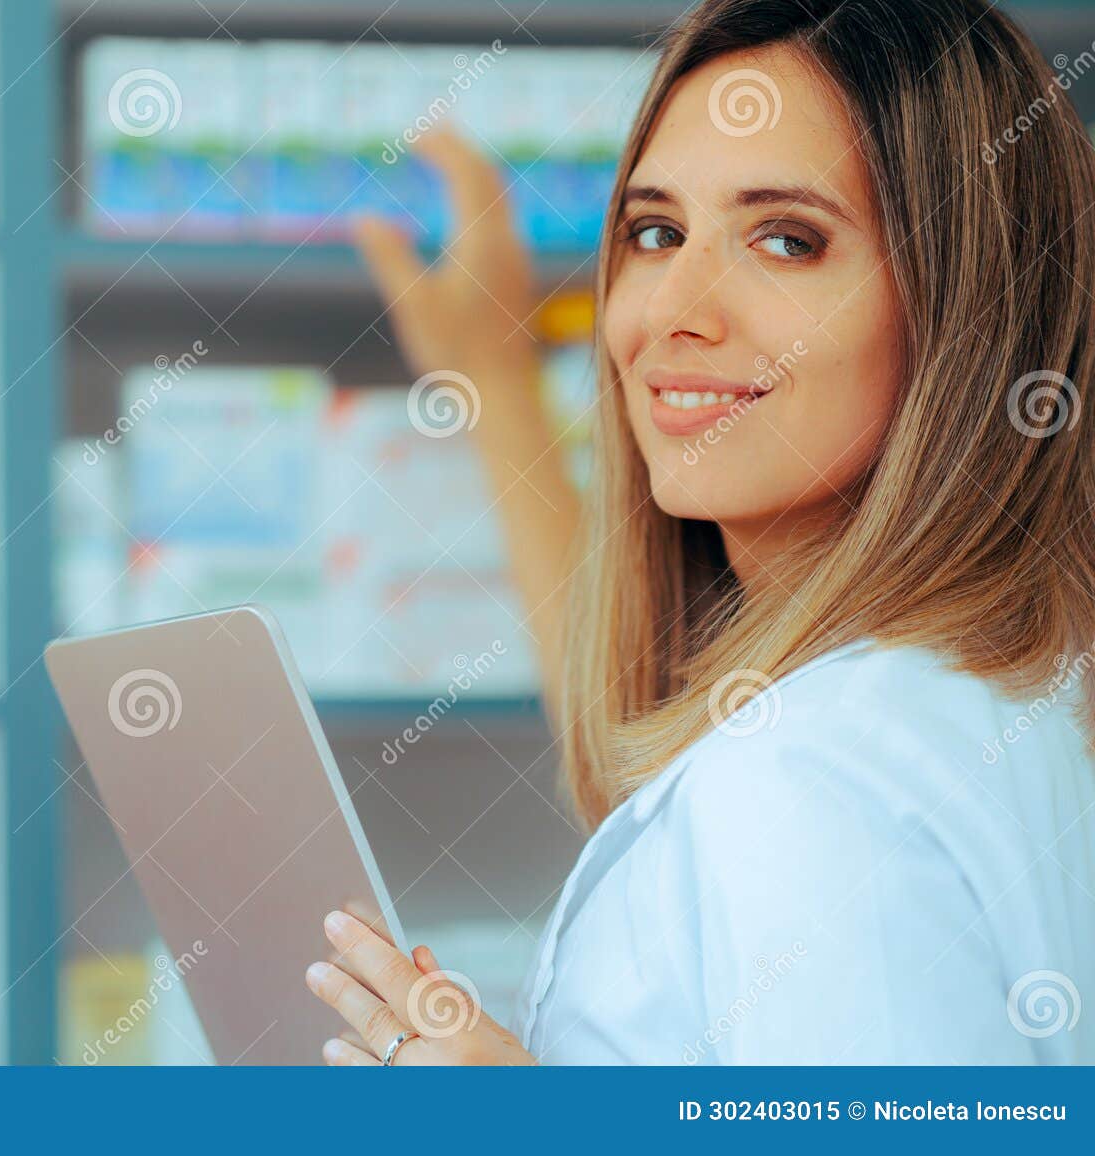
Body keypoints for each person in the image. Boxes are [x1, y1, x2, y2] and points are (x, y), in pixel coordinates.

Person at [304, 0, 1095, 1064]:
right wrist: (492, 373)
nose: (673, 308)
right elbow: (636, 702)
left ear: (965, 308)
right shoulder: (974, 688)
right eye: (655, 232)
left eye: (785, 240)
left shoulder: (809, 782)